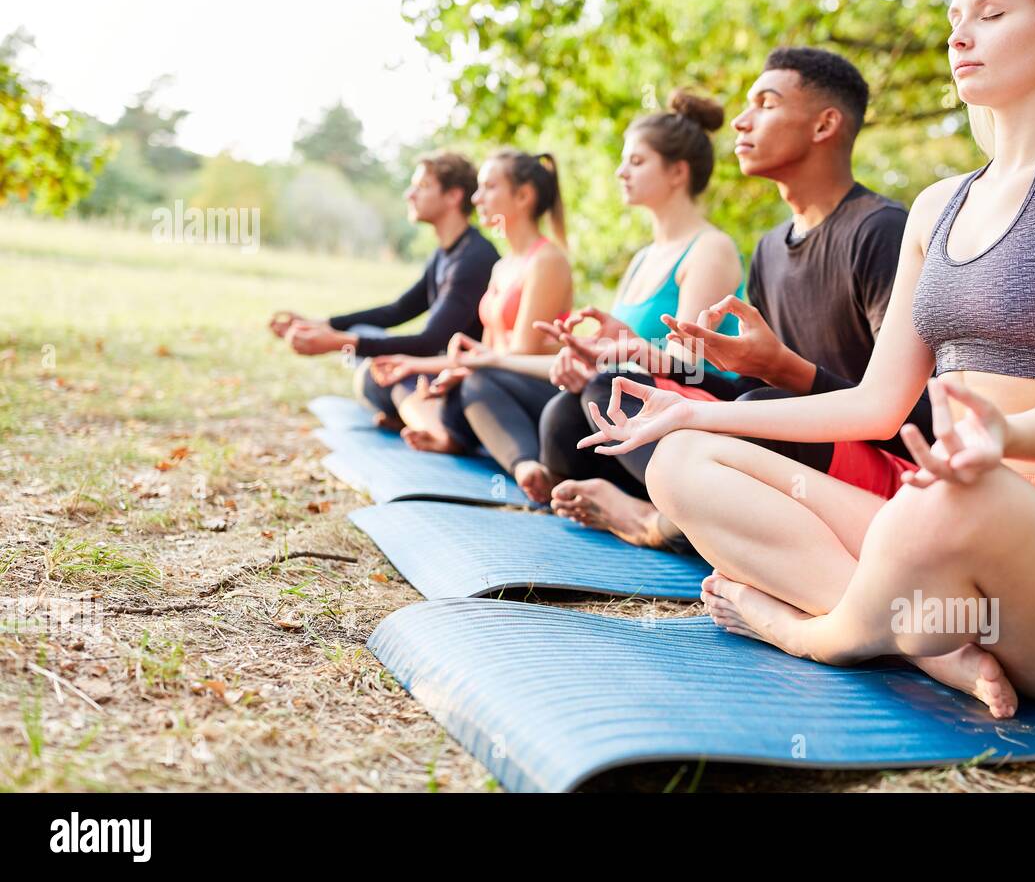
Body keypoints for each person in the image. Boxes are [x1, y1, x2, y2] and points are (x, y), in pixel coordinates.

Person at [578, 0, 1035, 720]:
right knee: (680, 460)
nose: (959, 37)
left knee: (958, 499)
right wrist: (690, 409)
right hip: (931, 540)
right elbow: (877, 407)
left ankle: (816, 634)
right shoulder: (937, 206)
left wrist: (998, 441)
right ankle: (937, 647)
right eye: (955, 17)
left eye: (990, 15)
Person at [549, 47, 933, 552]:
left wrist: (787, 370)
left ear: (824, 125)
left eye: (765, 104)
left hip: (878, 461)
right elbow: (741, 387)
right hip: (781, 429)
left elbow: (912, 415)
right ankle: (684, 509)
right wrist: (647, 357)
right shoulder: (772, 248)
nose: (739, 122)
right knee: (613, 391)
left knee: (761, 410)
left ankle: (659, 522)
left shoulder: (881, 230)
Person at [443, 90, 747, 504]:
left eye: (637, 162)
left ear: (678, 172)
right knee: (561, 413)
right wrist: (587, 355)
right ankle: (569, 484)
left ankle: (655, 507)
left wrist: (614, 360)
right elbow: (627, 355)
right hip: (631, 401)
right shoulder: (643, 258)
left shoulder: (710, 249)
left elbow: (690, 367)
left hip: (693, 414)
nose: (622, 172)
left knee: (589, 398)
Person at [368, 151, 572, 472]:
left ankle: (522, 463)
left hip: (524, 389)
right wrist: (413, 365)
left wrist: (457, 373)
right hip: (492, 374)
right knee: (396, 377)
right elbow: (487, 352)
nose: (477, 199)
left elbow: (520, 354)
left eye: (489, 188)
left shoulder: (547, 261)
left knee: (473, 385)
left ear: (523, 196)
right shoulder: (503, 266)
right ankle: (445, 429)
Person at [268, 152, 498, 428]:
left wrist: (338, 342)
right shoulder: (444, 254)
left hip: (459, 376)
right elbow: (397, 310)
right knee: (366, 347)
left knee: (371, 369)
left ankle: (429, 420)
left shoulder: (474, 258)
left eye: (422, 187)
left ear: (453, 196)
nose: (409, 195)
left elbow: (430, 342)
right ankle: (413, 410)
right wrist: (320, 324)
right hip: (429, 365)